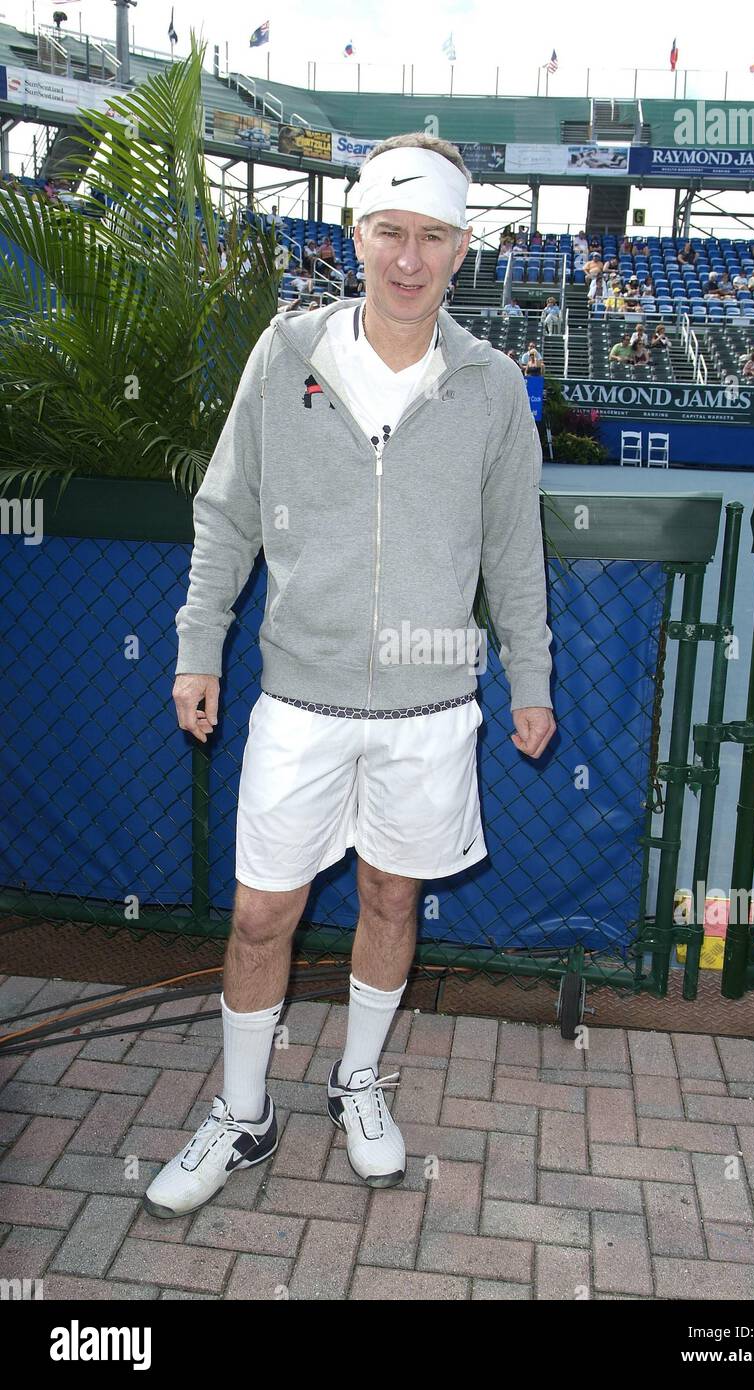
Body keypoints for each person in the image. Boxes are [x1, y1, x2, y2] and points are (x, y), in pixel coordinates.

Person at [153, 133, 555, 1220]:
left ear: (462, 248)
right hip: (298, 697)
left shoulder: (489, 386)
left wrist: (531, 676)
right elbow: (226, 510)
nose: (408, 258)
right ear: (355, 234)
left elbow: (514, 548)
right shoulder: (284, 354)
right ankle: (243, 1113)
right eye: (389, 232)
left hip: (429, 709)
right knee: (257, 915)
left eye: (431, 236)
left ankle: (357, 1078)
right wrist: (199, 644)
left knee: (391, 894)